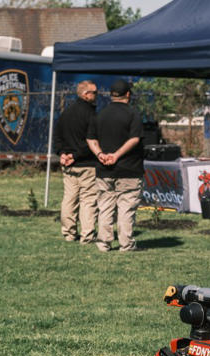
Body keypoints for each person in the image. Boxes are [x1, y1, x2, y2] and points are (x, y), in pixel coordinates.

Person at [86, 79, 144, 252]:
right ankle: (126, 244)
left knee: (105, 208)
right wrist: (116, 155)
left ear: (111, 95)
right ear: (128, 94)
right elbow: (135, 138)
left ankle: (103, 243)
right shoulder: (133, 114)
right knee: (126, 208)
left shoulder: (99, 114)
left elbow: (90, 138)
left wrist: (100, 155)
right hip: (129, 170)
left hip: (104, 170)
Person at [53, 80, 99, 243]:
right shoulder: (91, 114)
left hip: (69, 165)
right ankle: (87, 236)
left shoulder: (66, 112)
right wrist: (75, 156)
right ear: (86, 94)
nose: (96, 95)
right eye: (94, 92)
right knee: (88, 200)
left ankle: (69, 233)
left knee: (69, 199)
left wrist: (62, 153)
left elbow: (57, 136)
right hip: (86, 164)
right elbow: (92, 141)